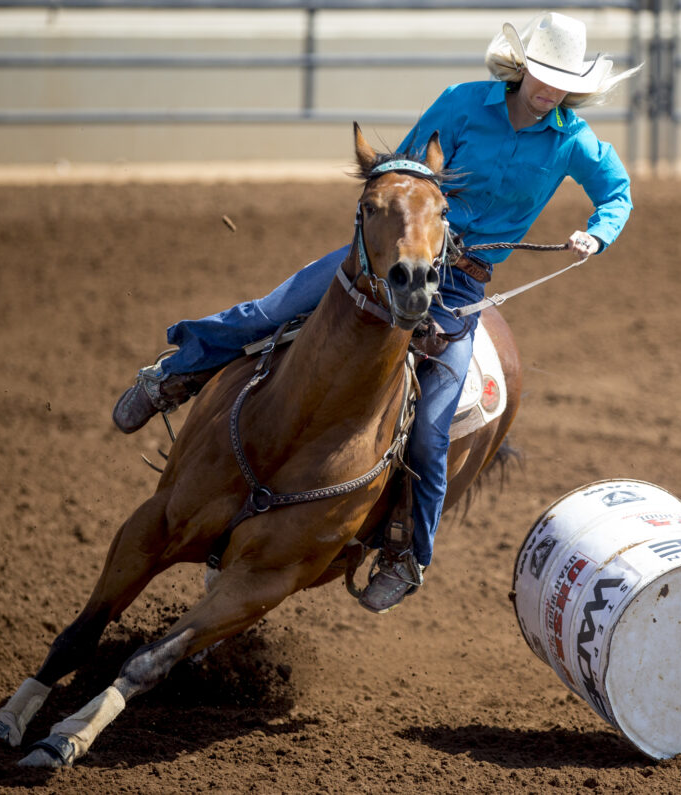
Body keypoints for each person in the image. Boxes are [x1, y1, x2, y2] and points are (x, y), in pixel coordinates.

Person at [112, 11, 640, 613]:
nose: (548, 89)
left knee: (435, 423)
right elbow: (401, 177)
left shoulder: (575, 142)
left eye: (561, 80)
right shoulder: (463, 104)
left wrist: (597, 233)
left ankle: (406, 551)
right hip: (394, 255)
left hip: (459, 285)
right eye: (542, 74)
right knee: (268, 312)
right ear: (522, 68)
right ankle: (172, 376)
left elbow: (616, 191)